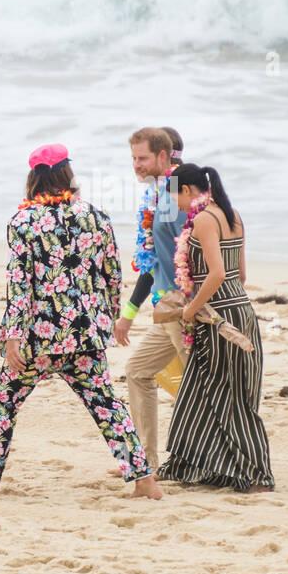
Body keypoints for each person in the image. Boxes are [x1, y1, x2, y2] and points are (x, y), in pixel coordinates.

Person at [0, 143, 162, 501]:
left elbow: (19, 286)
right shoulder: (97, 217)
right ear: (68, 174)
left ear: (34, 177)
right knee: (107, 406)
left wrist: (12, 337)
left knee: (5, 404)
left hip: (38, 338)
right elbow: (113, 276)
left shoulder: (22, 222)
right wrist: (107, 319)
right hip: (85, 335)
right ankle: (144, 481)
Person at [157, 163, 274, 492]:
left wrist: (191, 310)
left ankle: (256, 476)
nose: (175, 205)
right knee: (200, 391)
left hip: (221, 320)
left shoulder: (206, 220)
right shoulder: (232, 214)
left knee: (230, 398)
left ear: (186, 191)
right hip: (241, 311)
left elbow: (218, 274)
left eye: (174, 197)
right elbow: (242, 275)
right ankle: (192, 465)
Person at [115, 127, 188, 469]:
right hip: (164, 307)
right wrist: (130, 312)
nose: (136, 165)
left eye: (142, 158)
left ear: (164, 156)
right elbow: (152, 262)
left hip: (184, 307)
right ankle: (146, 461)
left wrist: (196, 302)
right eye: (134, 158)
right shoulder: (160, 195)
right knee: (138, 371)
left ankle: (210, 458)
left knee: (200, 386)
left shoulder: (176, 198)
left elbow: (192, 253)